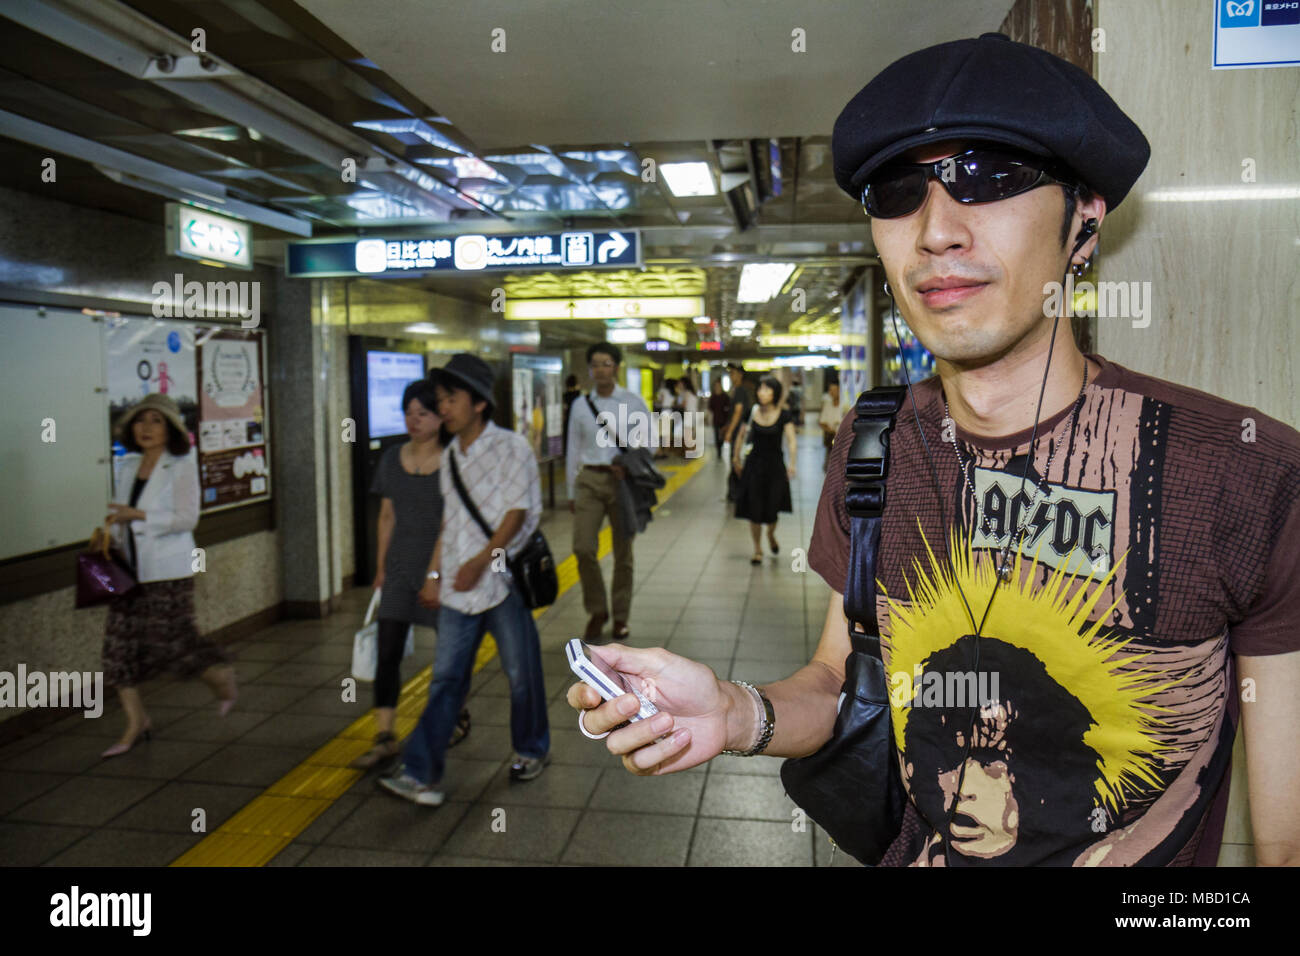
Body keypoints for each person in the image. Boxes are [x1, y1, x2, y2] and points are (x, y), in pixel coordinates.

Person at [567, 33, 1300, 867]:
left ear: (1084, 223)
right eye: (899, 189)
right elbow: (845, 684)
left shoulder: (1248, 477)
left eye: (992, 177)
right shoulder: (876, 446)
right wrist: (736, 712)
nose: (936, 231)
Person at [380, 354, 549, 805]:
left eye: (449, 399)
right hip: (459, 586)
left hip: (502, 582)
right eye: (440, 401)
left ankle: (531, 749)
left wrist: (482, 559)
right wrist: (435, 573)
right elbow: (448, 523)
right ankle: (422, 775)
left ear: (478, 403)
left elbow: (517, 514)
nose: (443, 408)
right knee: (447, 679)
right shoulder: (451, 454)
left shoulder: (511, 447)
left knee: (520, 673)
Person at [101, 394, 237, 758]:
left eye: (156, 421)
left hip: (167, 568)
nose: (146, 428)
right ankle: (136, 722)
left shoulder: (181, 464)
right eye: (140, 421)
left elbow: (188, 519)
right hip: (128, 569)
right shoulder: (127, 465)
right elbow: (120, 514)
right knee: (117, 649)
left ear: (170, 428)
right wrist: (111, 530)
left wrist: (139, 517)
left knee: (170, 643)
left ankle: (220, 677)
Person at [351, 378, 469, 771]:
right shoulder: (391, 459)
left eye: (423, 413)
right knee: (387, 651)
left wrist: (435, 574)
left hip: (442, 570)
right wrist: (382, 567)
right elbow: (387, 516)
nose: (413, 420)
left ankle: (456, 715)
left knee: (449, 652)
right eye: (408, 412)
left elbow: (450, 522)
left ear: (440, 418)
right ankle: (384, 735)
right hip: (400, 570)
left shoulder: (454, 460)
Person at [565, 342, 651, 642]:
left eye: (606, 363)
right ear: (589, 369)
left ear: (616, 367)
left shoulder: (633, 401)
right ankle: (597, 610)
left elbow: (648, 441)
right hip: (589, 480)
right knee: (583, 547)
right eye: (595, 364)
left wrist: (629, 465)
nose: (600, 369)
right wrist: (570, 492)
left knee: (623, 553)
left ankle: (620, 617)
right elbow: (573, 449)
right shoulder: (579, 405)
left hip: (622, 484)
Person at [732, 376, 797, 564]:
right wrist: (736, 458)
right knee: (754, 509)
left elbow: (791, 440)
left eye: (768, 390)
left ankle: (771, 534)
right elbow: (741, 436)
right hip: (753, 467)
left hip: (775, 468)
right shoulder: (751, 412)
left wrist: (792, 463)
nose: (763, 393)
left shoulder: (784, 415)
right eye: (761, 389)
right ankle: (758, 549)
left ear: (775, 393)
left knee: (772, 509)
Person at [818, 379, 848, 473]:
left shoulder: (845, 406)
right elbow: (822, 422)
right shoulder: (827, 405)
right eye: (830, 390)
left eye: (835, 390)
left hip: (842, 437)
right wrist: (830, 430)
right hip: (830, 438)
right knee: (829, 463)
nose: (832, 393)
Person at [706, 378, 731, 460]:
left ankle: (721, 447)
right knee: (717, 436)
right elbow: (710, 409)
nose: (717, 387)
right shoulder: (713, 397)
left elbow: (728, 409)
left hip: (724, 420)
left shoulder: (725, 397)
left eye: (718, 385)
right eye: (715, 386)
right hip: (716, 420)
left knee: (722, 436)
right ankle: (719, 452)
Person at [675, 376, 700, 458]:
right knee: (691, 434)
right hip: (694, 415)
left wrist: (676, 404)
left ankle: (690, 452)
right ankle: (692, 451)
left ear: (684, 384)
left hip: (689, 415)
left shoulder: (686, 393)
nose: (679, 384)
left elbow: (683, 404)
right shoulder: (692, 392)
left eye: (680, 383)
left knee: (688, 435)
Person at [561, 373, 581, 453]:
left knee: (568, 441)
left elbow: (564, 410)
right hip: (578, 421)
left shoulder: (564, 396)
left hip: (567, 422)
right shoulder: (580, 396)